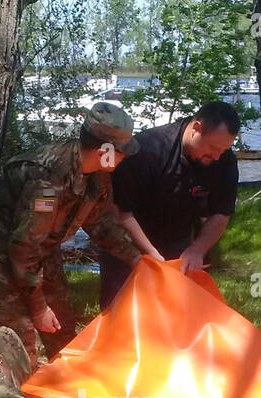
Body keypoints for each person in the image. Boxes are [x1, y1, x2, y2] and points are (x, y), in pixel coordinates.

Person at [0, 102, 142, 364]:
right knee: (17, 336)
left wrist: (137, 260)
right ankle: (15, 393)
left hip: (39, 245)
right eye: (122, 152)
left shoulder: (98, 177)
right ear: (105, 150)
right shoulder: (47, 179)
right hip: (0, 250)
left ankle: (63, 385)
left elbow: (102, 224)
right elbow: (23, 248)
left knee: (62, 324)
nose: (125, 158)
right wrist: (38, 308)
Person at [97, 101, 241, 308]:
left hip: (177, 239)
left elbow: (221, 213)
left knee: (174, 310)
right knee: (123, 309)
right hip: (128, 241)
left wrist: (197, 249)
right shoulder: (147, 149)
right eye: (213, 148)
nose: (216, 156)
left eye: (224, 149)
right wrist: (150, 254)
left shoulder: (224, 161)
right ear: (196, 128)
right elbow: (121, 211)